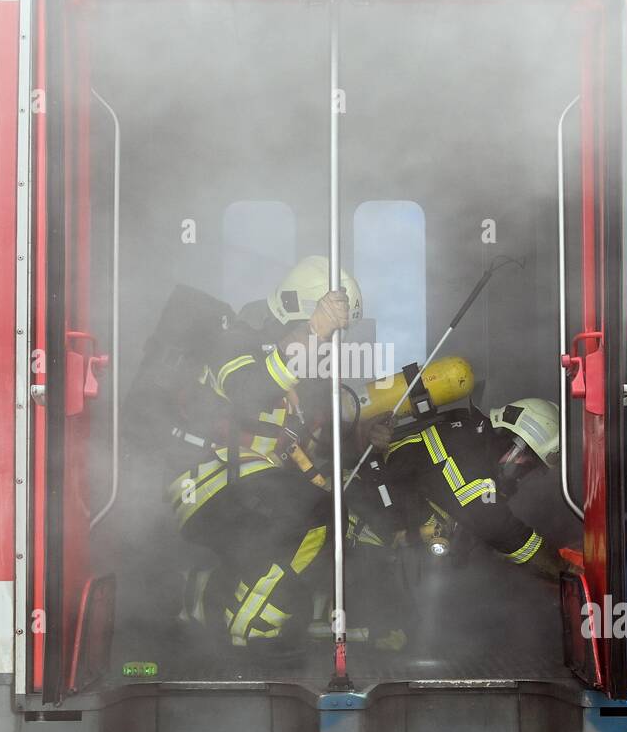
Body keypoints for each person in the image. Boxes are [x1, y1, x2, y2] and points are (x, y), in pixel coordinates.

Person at [152, 256, 370, 649]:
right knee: (323, 514)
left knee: (334, 514)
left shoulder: (298, 370)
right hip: (201, 479)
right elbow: (248, 395)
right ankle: (252, 631)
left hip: (241, 479)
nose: (326, 346)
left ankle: (210, 594)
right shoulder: (234, 341)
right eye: (322, 332)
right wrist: (316, 333)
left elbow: (300, 439)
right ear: (299, 314)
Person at [353, 397, 569, 583]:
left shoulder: (472, 444)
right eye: (524, 460)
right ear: (510, 440)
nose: (520, 471)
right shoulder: (463, 447)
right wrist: (568, 572)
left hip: (383, 553)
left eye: (530, 468)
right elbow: (498, 527)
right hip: (357, 536)